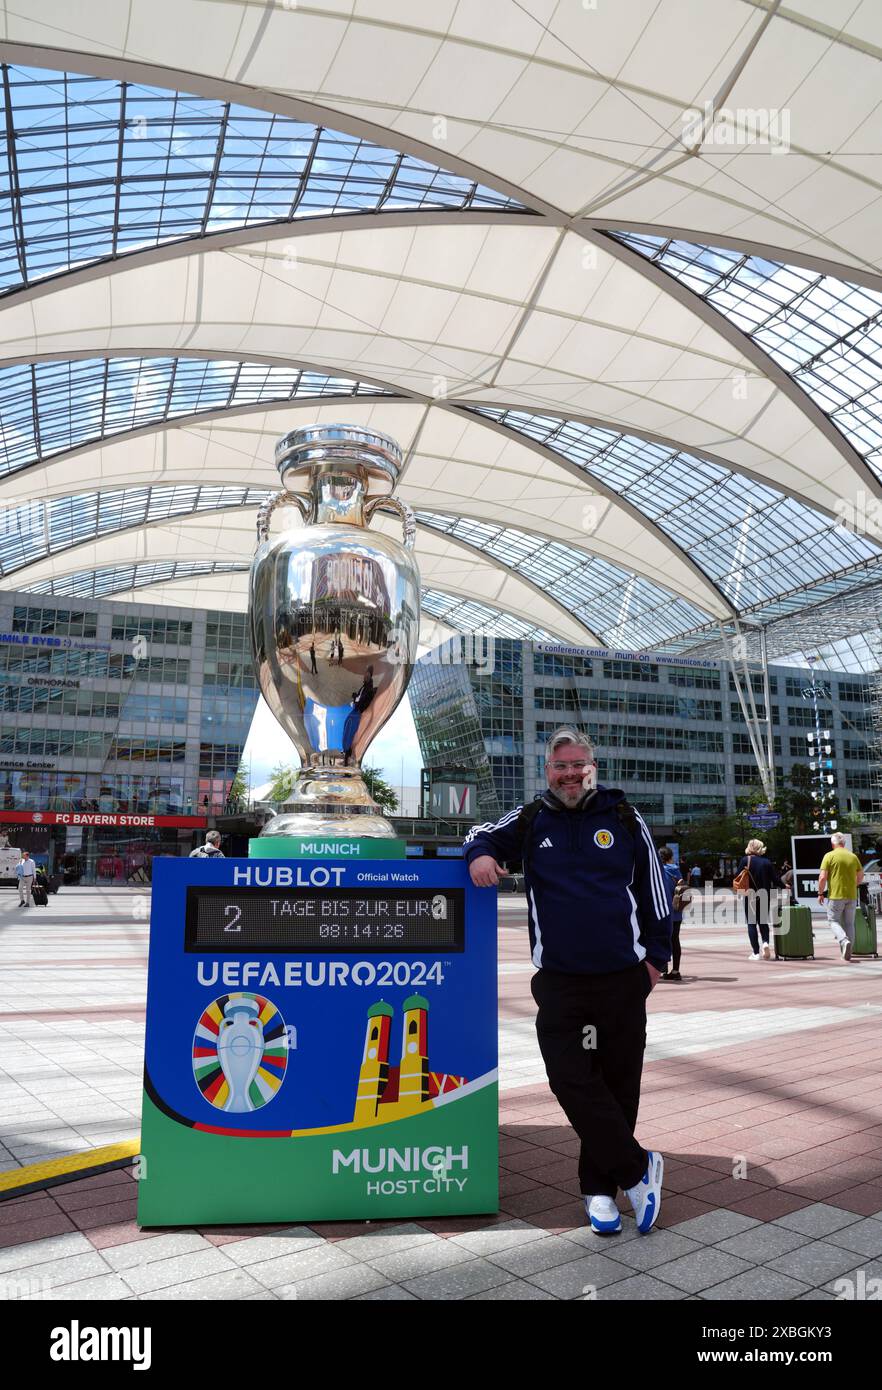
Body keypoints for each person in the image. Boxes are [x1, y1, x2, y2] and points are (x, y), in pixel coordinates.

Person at [464, 727, 670, 1237]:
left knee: (619, 1084)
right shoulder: (534, 818)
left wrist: (656, 960)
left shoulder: (624, 816)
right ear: (548, 771)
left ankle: (599, 1190)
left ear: (591, 767)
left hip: (622, 977)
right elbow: (479, 835)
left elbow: (654, 889)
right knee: (569, 1078)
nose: (571, 774)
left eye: (579, 765)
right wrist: (480, 856)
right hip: (559, 981)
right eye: (561, 766)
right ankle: (640, 1168)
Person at [818, 832, 864, 962]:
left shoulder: (829, 856)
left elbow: (822, 877)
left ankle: (844, 941)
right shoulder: (853, 856)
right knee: (850, 923)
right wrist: (854, 885)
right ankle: (848, 951)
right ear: (844, 843)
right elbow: (860, 876)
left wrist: (820, 893)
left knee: (833, 920)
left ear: (833, 844)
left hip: (836, 896)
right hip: (852, 895)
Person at [736, 839, 782, 961]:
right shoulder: (766, 862)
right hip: (764, 895)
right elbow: (775, 879)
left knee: (751, 923)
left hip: (749, 895)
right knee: (763, 921)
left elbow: (737, 877)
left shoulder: (745, 860)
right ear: (760, 848)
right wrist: (784, 886)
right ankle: (765, 943)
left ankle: (756, 953)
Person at [659, 848, 689, 981]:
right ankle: (676, 970)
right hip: (677, 910)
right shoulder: (676, 870)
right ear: (670, 857)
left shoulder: (658, 871)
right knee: (675, 939)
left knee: (660, 938)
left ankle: (662, 966)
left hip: (662, 911)